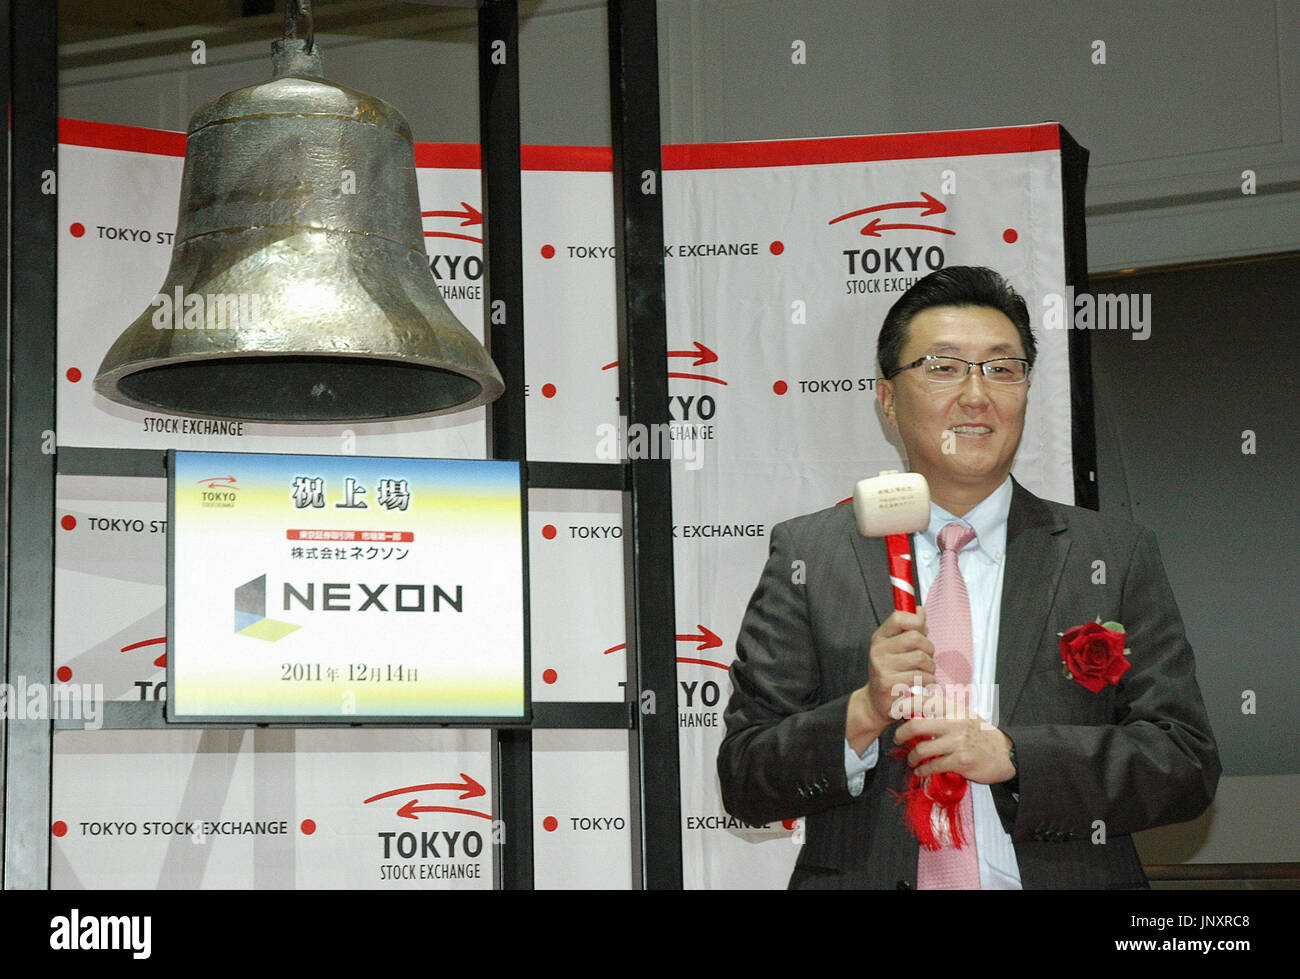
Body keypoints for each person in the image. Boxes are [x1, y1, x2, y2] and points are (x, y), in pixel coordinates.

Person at [717, 266, 1219, 889]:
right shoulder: (813, 554)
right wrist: (863, 712)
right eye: (943, 366)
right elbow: (744, 779)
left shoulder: (1111, 554)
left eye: (1002, 368)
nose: (977, 394)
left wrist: (1017, 759)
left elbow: (1185, 763)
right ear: (888, 398)